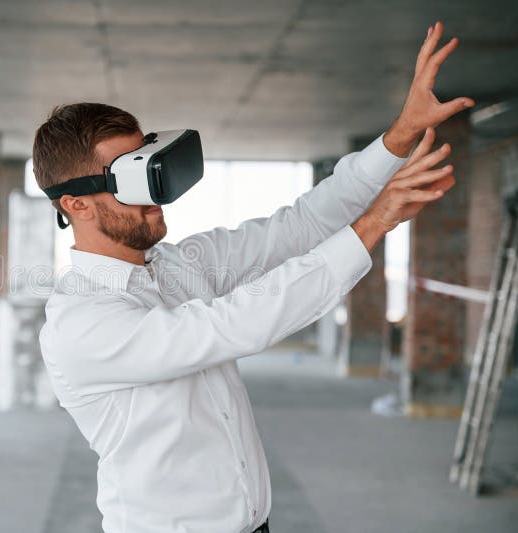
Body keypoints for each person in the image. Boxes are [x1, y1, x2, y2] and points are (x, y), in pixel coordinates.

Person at [32, 21, 473, 533]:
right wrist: (375, 223)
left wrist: (398, 138)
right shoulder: (79, 324)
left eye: (147, 165)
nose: (153, 192)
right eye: (126, 179)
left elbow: (300, 225)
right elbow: (233, 324)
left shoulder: (179, 266)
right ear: (76, 203)